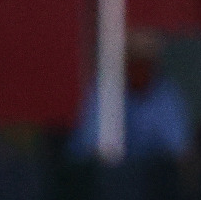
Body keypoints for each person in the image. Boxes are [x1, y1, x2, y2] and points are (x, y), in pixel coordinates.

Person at [68, 29, 193, 160]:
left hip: (154, 172)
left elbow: (179, 145)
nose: (139, 68)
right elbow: (91, 144)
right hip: (109, 172)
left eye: (144, 61)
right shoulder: (105, 91)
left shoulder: (167, 94)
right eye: (134, 61)